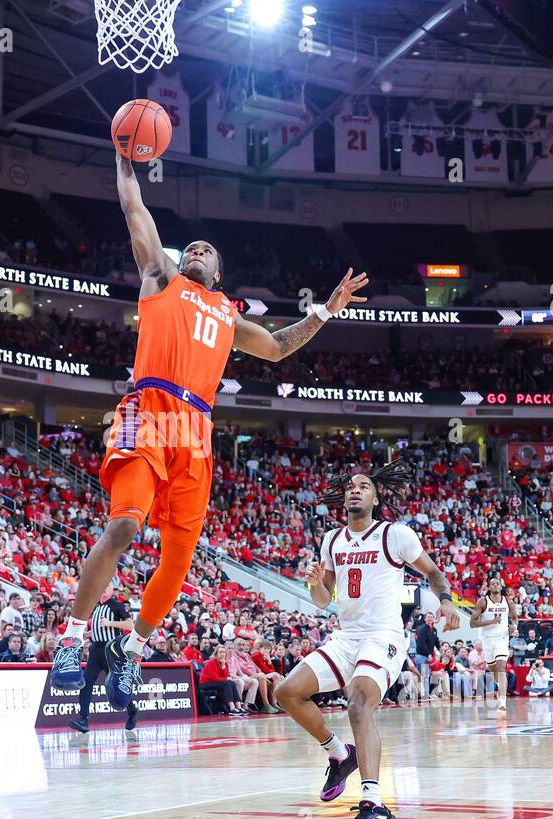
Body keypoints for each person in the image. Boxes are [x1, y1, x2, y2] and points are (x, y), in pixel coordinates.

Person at [49, 151, 369, 716]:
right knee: (125, 524)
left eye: (206, 251)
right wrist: (124, 160)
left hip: (195, 429)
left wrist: (326, 310)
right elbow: (133, 208)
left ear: (218, 274)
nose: (195, 251)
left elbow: (278, 347)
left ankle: (133, 648)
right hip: (146, 410)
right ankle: (71, 641)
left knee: (178, 558)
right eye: (190, 247)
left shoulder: (226, 315)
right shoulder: (159, 278)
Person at [276, 466, 461, 819]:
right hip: (346, 637)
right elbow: (322, 599)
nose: (355, 491)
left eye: (364, 487)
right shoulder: (331, 540)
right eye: (350, 487)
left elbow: (435, 573)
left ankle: (375, 804)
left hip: (384, 635)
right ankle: (339, 753)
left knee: (358, 702)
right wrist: (314, 583)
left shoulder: (395, 534)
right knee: (286, 693)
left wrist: (446, 601)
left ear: (376, 498)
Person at [70, 584, 138, 735]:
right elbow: (100, 629)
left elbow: (130, 624)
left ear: (112, 589)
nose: (102, 587)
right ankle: (83, 719)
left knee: (117, 686)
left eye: (106, 585)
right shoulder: (96, 607)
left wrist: (110, 623)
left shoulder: (116, 605)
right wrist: (89, 634)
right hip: (95, 649)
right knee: (86, 682)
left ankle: (132, 710)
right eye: (102, 585)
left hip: (111, 650)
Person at [469, 575, 517, 715]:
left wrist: (514, 627)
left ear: (501, 587)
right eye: (493, 583)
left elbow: (514, 618)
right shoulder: (483, 602)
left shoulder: (508, 602)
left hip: (502, 638)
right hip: (487, 639)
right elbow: (472, 623)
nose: (496, 585)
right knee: (494, 671)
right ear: (489, 587)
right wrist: (492, 622)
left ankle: (502, 704)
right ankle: (502, 686)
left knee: (501, 668)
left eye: (498, 583)